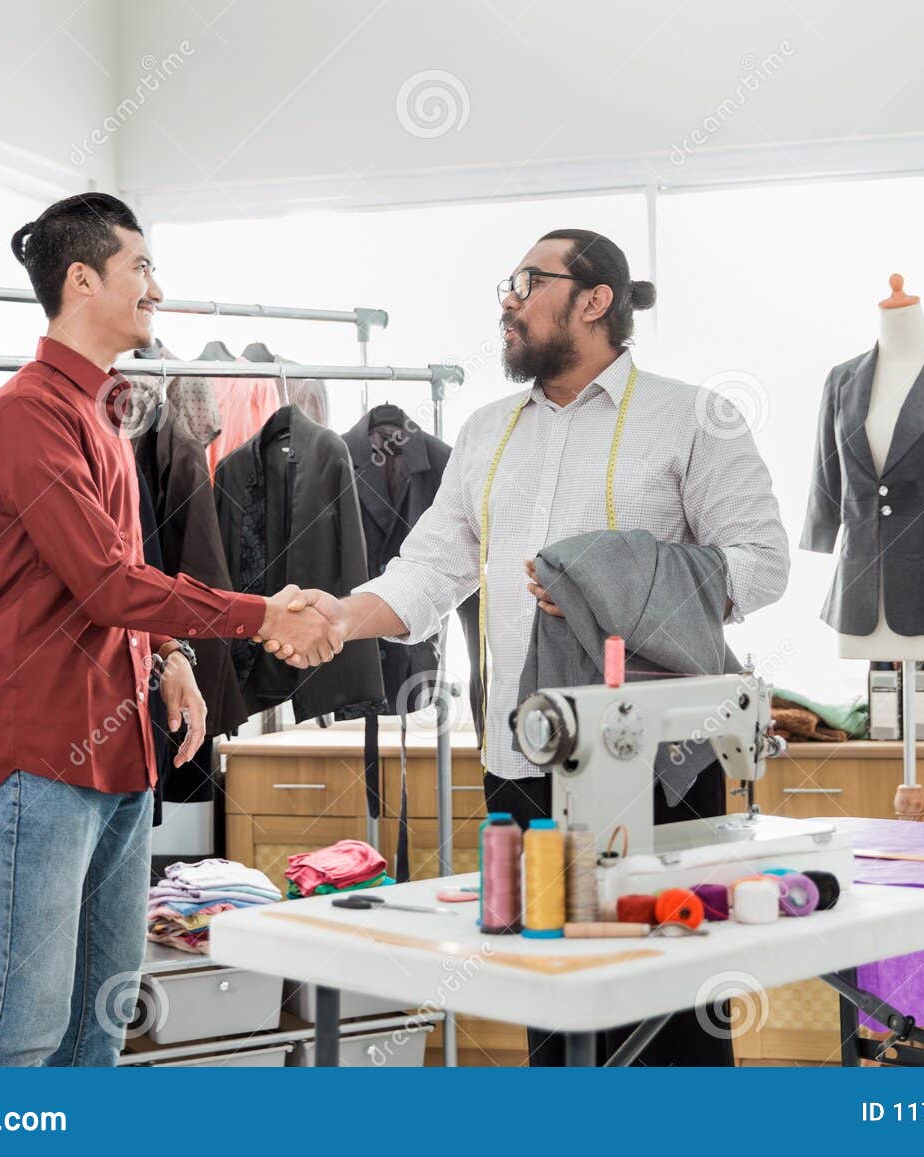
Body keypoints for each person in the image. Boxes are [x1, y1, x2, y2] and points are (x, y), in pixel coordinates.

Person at [262, 228, 790, 1065]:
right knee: (550, 992)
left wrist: (609, 571)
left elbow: (762, 568)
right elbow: (431, 569)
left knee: (673, 1009)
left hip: (656, 765)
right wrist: (339, 615)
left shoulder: (692, 416)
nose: (505, 299)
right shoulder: (485, 432)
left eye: (525, 281)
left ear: (593, 300)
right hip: (525, 754)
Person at [0, 193, 331, 1066]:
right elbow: (105, 582)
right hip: (44, 759)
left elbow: (118, 571)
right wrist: (260, 612)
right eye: (142, 268)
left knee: (100, 1024)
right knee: (25, 1030)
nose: (157, 289)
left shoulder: (104, 411)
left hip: (122, 756)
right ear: (83, 279)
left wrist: (172, 659)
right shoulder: (24, 416)